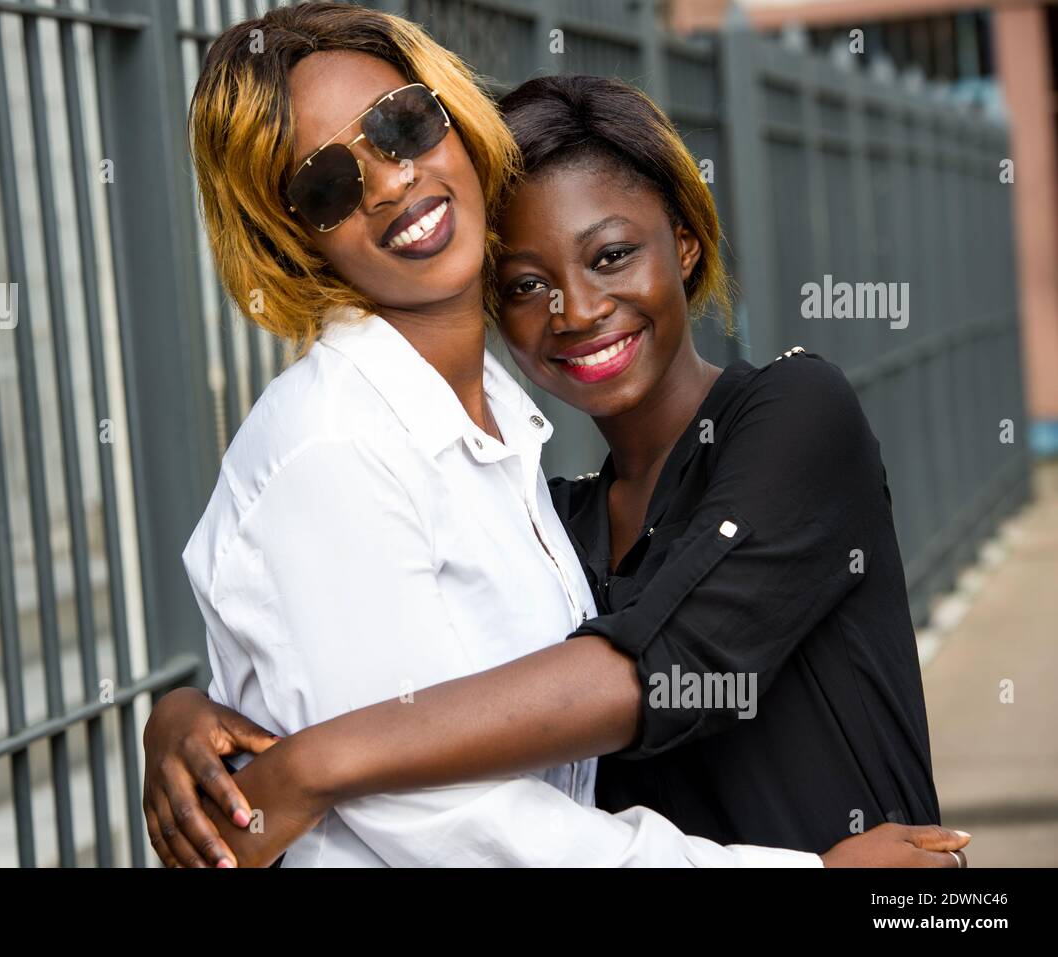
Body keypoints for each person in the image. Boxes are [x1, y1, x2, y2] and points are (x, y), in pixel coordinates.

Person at [152, 2, 967, 868]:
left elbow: (667, 660)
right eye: (527, 282)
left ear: (684, 243)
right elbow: (442, 783)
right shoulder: (550, 518)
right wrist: (193, 716)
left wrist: (317, 758)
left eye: (403, 124)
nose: (575, 309)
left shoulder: (794, 415)